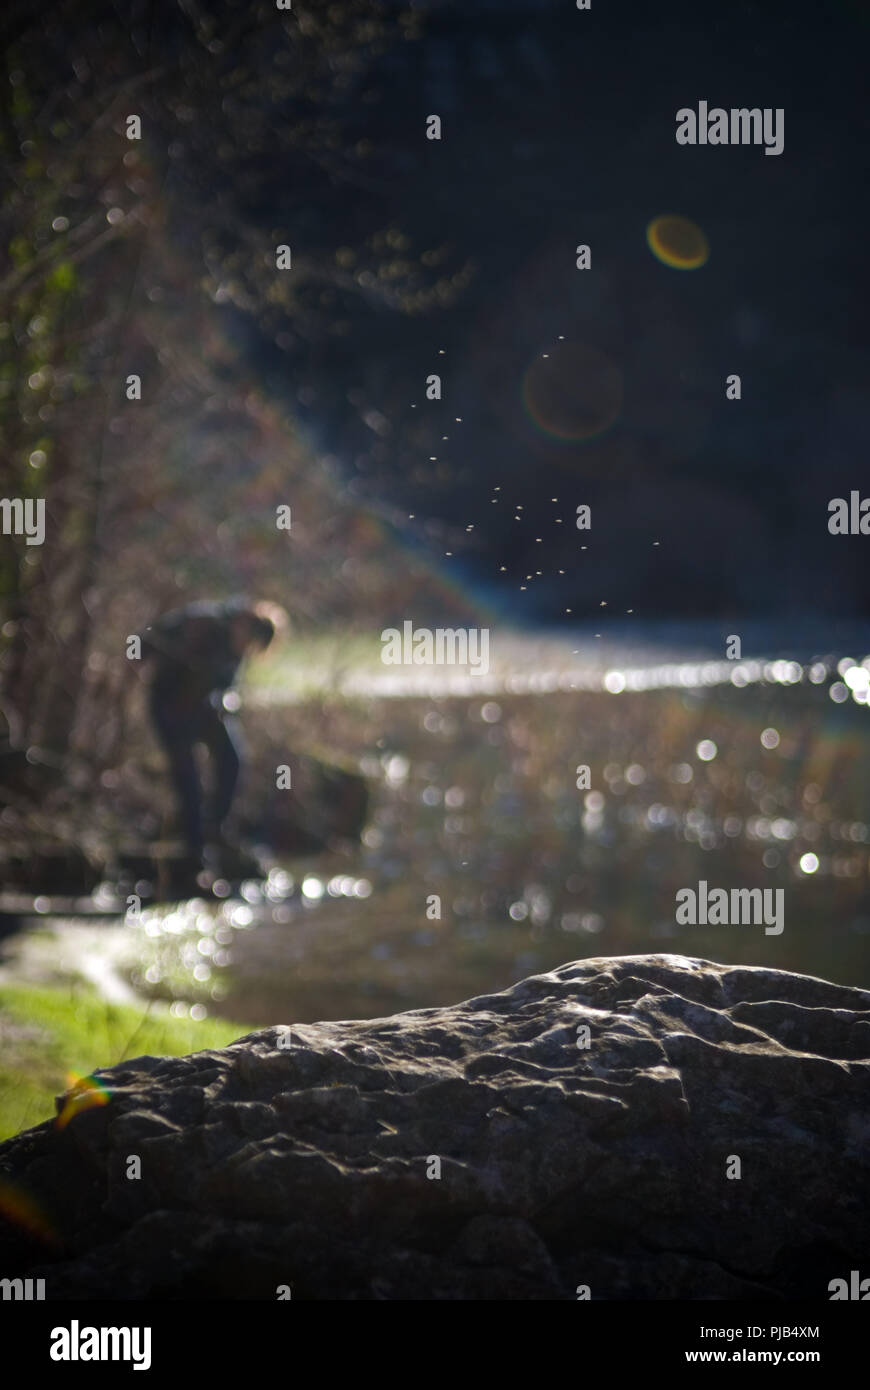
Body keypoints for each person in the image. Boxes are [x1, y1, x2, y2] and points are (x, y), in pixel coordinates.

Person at [140, 598, 287, 876]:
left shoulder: (238, 648)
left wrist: (225, 702)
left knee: (232, 760)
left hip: (206, 710)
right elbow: (145, 640)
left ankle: (216, 829)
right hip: (169, 707)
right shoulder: (200, 622)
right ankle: (195, 854)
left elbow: (228, 687)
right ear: (243, 624)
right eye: (248, 640)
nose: (245, 649)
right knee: (188, 781)